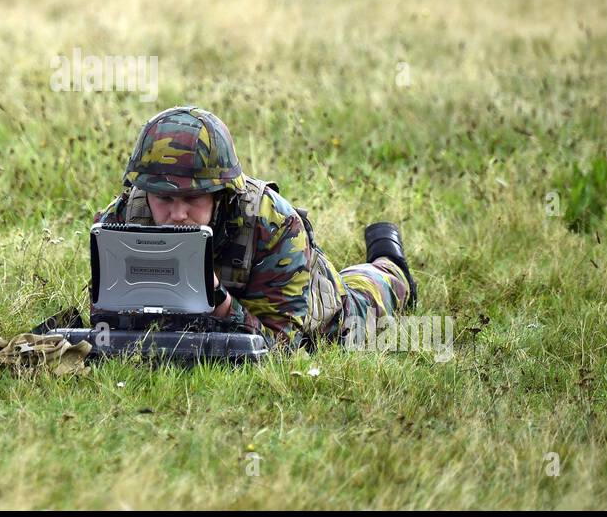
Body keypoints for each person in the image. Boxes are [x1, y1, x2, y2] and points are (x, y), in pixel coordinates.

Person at [95, 105, 417, 348]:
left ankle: (389, 261)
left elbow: (281, 348)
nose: (177, 214)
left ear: (221, 194)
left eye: (193, 197)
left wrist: (219, 302)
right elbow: (106, 325)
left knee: (371, 294)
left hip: (323, 312)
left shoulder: (273, 225)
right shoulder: (122, 221)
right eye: (163, 198)